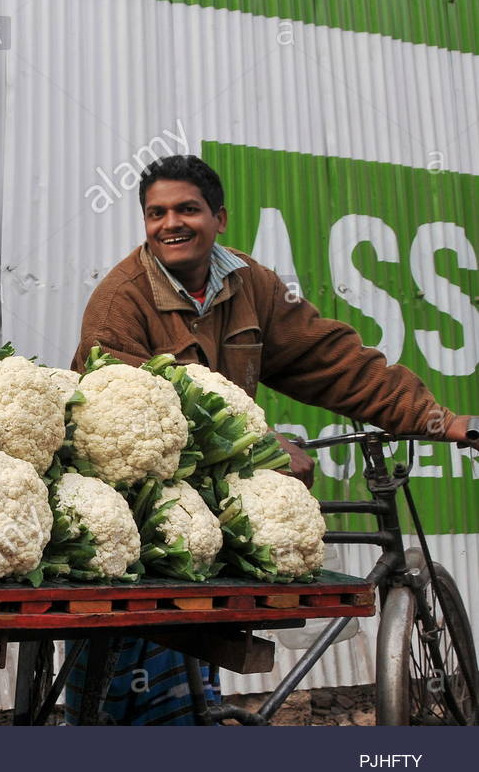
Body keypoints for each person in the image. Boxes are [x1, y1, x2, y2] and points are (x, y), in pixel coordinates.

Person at [63, 153, 476, 725]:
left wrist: (439, 419)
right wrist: (259, 442)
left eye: (188, 209)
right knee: (149, 676)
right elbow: (119, 410)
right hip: (144, 505)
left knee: (207, 640)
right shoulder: (121, 301)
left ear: (220, 218)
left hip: (216, 502)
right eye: (156, 213)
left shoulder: (249, 284)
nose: (171, 224)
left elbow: (329, 359)